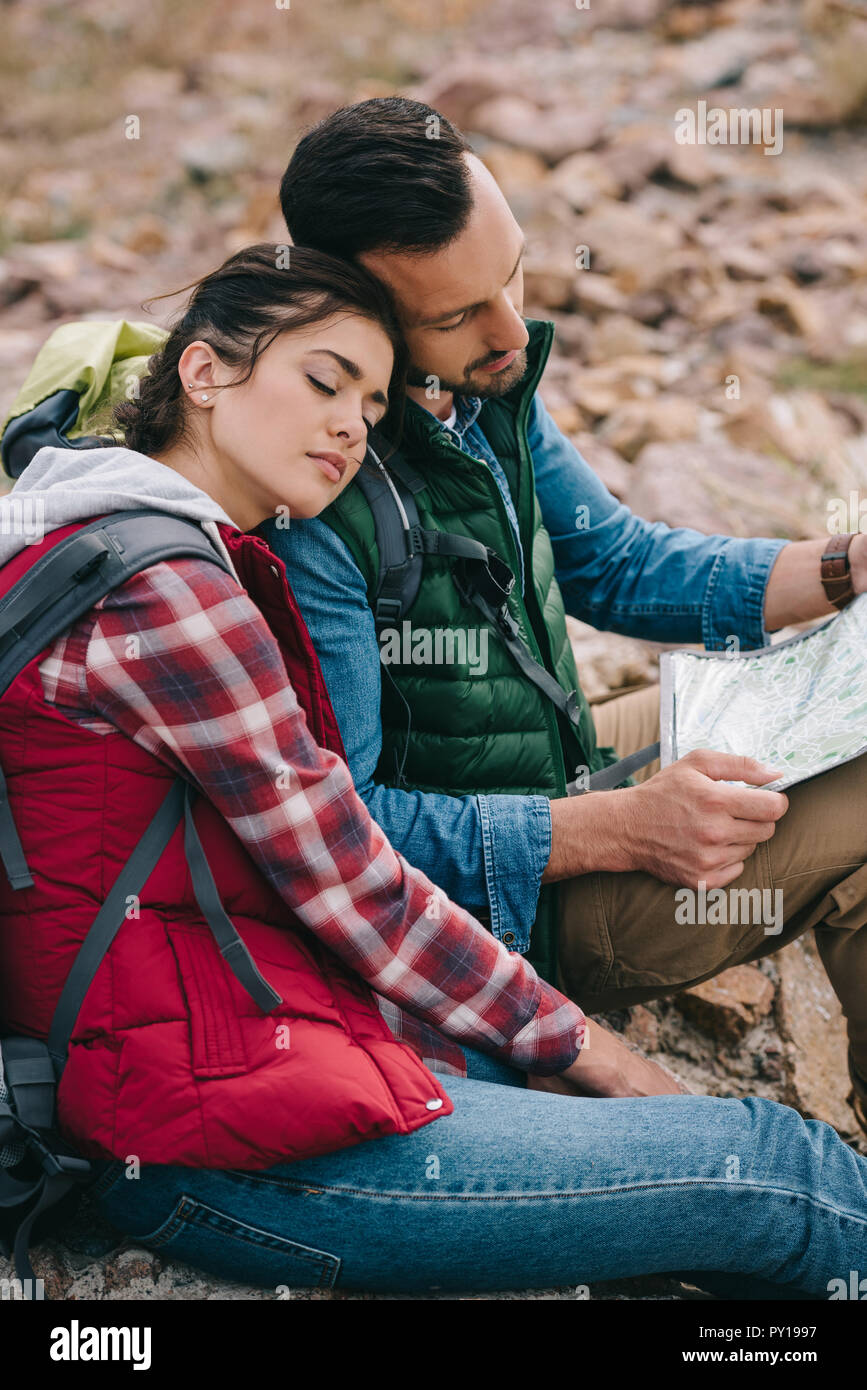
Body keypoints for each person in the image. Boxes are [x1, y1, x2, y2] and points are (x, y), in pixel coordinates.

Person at [0, 243, 865, 1301]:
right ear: (203, 372)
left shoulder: (108, 530)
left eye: (371, 401)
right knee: (780, 1172)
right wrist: (590, 1047)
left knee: (681, 1175)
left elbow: (616, 560)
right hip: (217, 1143)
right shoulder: (169, 593)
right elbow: (356, 880)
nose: (353, 428)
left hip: (253, 1054)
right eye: (324, 383)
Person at [269, 97, 867, 1136]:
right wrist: (618, 827)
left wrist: (844, 566)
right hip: (503, 914)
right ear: (351, 314)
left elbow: (618, 564)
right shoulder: (316, 499)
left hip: (564, 775)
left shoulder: (478, 388)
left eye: (513, 273)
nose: (511, 332)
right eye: (456, 316)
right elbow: (346, 836)